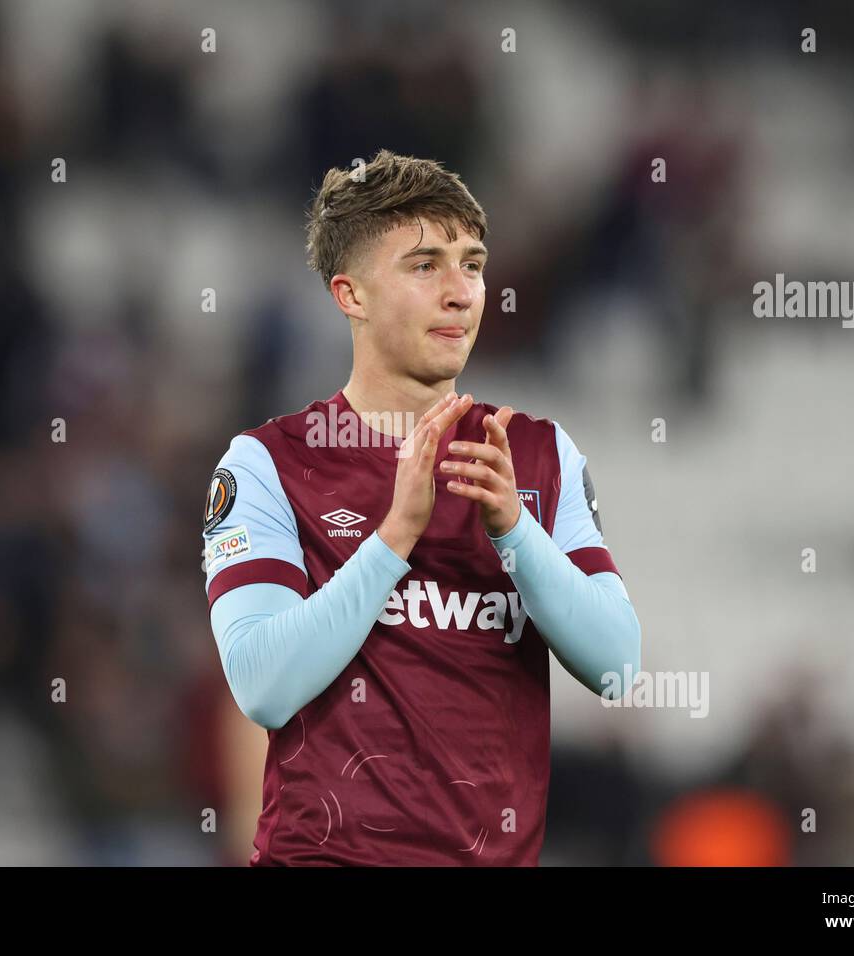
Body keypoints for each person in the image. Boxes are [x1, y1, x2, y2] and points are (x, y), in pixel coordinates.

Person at [201, 149, 641, 865]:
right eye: (425, 265)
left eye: (472, 263)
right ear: (352, 295)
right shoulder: (269, 463)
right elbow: (262, 686)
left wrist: (515, 532)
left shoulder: (536, 455)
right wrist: (394, 536)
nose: (461, 292)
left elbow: (618, 665)